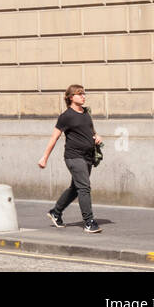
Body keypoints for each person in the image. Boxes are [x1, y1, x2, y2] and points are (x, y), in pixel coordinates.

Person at [38, 83, 102, 233]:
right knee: (84, 187)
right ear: (71, 97)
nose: (83, 96)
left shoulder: (86, 113)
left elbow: (90, 132)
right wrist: (44, 157)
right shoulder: (65, 117)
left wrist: (96, 137)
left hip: (87, 157)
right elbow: (54, 138)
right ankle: (89, 222)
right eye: (80, 94)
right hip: (74, 157)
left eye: (84, 94)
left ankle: (55, 212)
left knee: (75, 188)